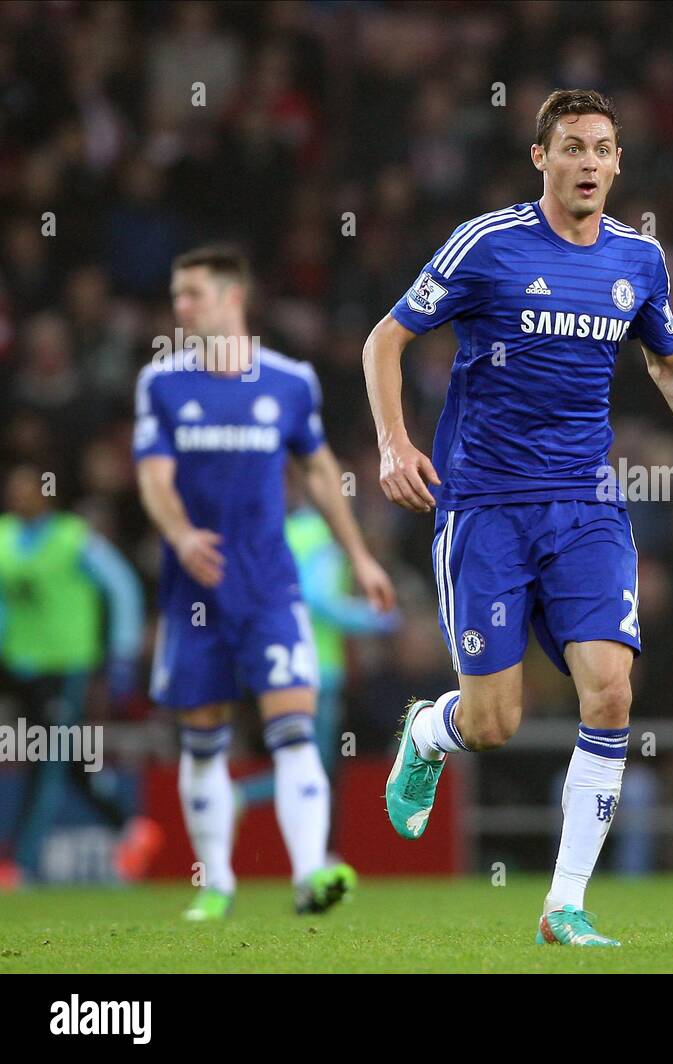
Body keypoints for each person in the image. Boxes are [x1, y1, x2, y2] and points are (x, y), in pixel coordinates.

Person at [363, 89, 673, 946]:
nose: (588, 164)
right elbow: (384, 340)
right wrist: (393, 444)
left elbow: (667, 362)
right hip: (486, 509)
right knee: (494, 724)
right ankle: (427, 734)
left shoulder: (640, 260)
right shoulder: (488, 245)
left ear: (617, 165)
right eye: (571, 147)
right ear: (541, 158)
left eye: (602, 149)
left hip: (586, 506)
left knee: (610, 692)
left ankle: (563, 905)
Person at [134, 245, 395, 920]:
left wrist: (360, 557)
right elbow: (153, 478)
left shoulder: (288, 382)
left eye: (191, 293)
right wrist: (182, 534)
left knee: (295, 732)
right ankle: (216, 881)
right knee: (204, 739)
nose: (180, 307)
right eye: (177, 294)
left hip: (270, 589)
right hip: (194, 593)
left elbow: (317, 472)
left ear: (230, 298)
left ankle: (311, 873)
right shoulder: (162, 385)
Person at [0, 464, 159, 889]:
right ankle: (131, 825)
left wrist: (123, 653)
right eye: (12, 489)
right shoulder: (4, 537)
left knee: (45, 757)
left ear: (45, 493)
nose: (17, 497)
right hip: (23, 667)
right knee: (67, 758)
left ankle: (21, 865)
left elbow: (122, 587)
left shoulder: (73, 537)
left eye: (25, 489)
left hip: (68, 664)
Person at [233, 500, 399, 833]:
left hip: (279, 664)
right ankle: (242, 798)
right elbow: (319, 599)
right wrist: (376, 619)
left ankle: (312, 849)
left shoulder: (290, 532)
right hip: (318, 670)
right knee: (316, 766)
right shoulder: (326, 541)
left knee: (302, 759)